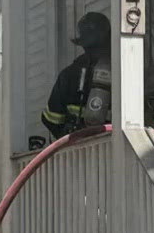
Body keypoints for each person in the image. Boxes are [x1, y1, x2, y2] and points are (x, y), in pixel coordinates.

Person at [40, 11, 112, 141]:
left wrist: (68, 138)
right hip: (110, 147)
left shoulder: (68, 75)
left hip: (79, 153)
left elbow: (51, 119)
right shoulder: (123, 71)